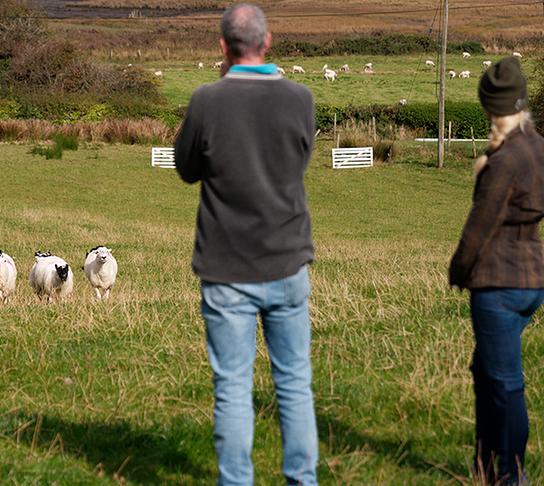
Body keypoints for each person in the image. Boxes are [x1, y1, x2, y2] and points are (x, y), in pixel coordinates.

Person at [173, 4, 318, 485]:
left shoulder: (206, 100)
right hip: (286, 260)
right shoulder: (300, 98)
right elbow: (298, 163)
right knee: (294, 383)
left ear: (222, 47)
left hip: (226, 266)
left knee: (233, 387)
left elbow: (186, 169)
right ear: (268, 41)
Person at [449, 57, 544, 486]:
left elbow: (481, 225)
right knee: (487, 372)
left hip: (499, 282)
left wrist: (459, 271)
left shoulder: (503, 160)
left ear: (487, 107)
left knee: (506, 383)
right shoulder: (542, 148)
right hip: (533, 279)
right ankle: (485, 465)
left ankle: (512, 474)